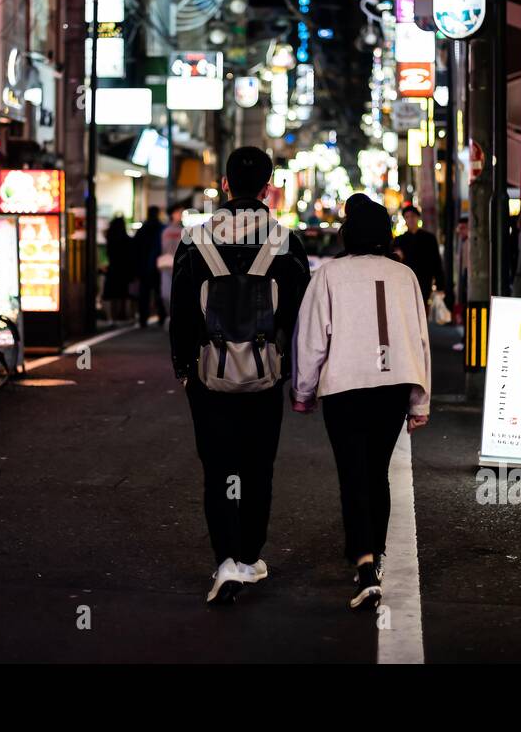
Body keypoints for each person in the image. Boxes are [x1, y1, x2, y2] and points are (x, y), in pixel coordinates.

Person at [170, 147, 311, 604]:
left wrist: (184, 369)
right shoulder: (286, 240)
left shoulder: (194, 238)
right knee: (258, 467)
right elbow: (300, 314)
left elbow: (180, 313)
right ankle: (250, 557)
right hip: (265, 375)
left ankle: (225, 559)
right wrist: (292, 368)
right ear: (268, 186)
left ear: (225, 185)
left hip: (208, 374)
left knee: (217, 468)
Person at [292, 193, 432, 610]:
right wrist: (419, 401)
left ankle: (365, 563)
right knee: (377, 473)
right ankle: (377, 556)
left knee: (352, 472)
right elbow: (418, 339)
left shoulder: (329, 276)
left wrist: (302, 392)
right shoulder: (404, 275)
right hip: (392, 388)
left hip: (345, 387)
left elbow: (312, 339)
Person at [393, 204, 443, 303]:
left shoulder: (429, 238)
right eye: (407, 217)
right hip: (405, 281)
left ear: (418, 217)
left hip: (424, 281)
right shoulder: (399, 240)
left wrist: (440, 285)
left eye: (413, 216)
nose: (410, 219)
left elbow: (436, 262)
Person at [134, 205, 167, 328]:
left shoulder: (142, 229)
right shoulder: (162, 228)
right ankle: (162, 317)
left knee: (144, 294)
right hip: (159, 266)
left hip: (144, 267)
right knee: (159, 292)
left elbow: (135, 249)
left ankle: (143, 319)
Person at [102, 216, 134, 324]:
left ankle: (112, 318)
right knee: (123, 294)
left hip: (112, 269)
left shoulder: (110, 239)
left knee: (111, 295)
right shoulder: (127, 239)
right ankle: (124, 316)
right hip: (124, 270)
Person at [158, 202, 186, 315]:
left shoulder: (184, 230)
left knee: (177, 294)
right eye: (179, 212)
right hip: (167, 265)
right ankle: (171, 316)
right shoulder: (165, 230)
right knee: (166, 294)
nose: (181, 214)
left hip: (179, 266)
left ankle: (174, 317)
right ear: (173, 214)